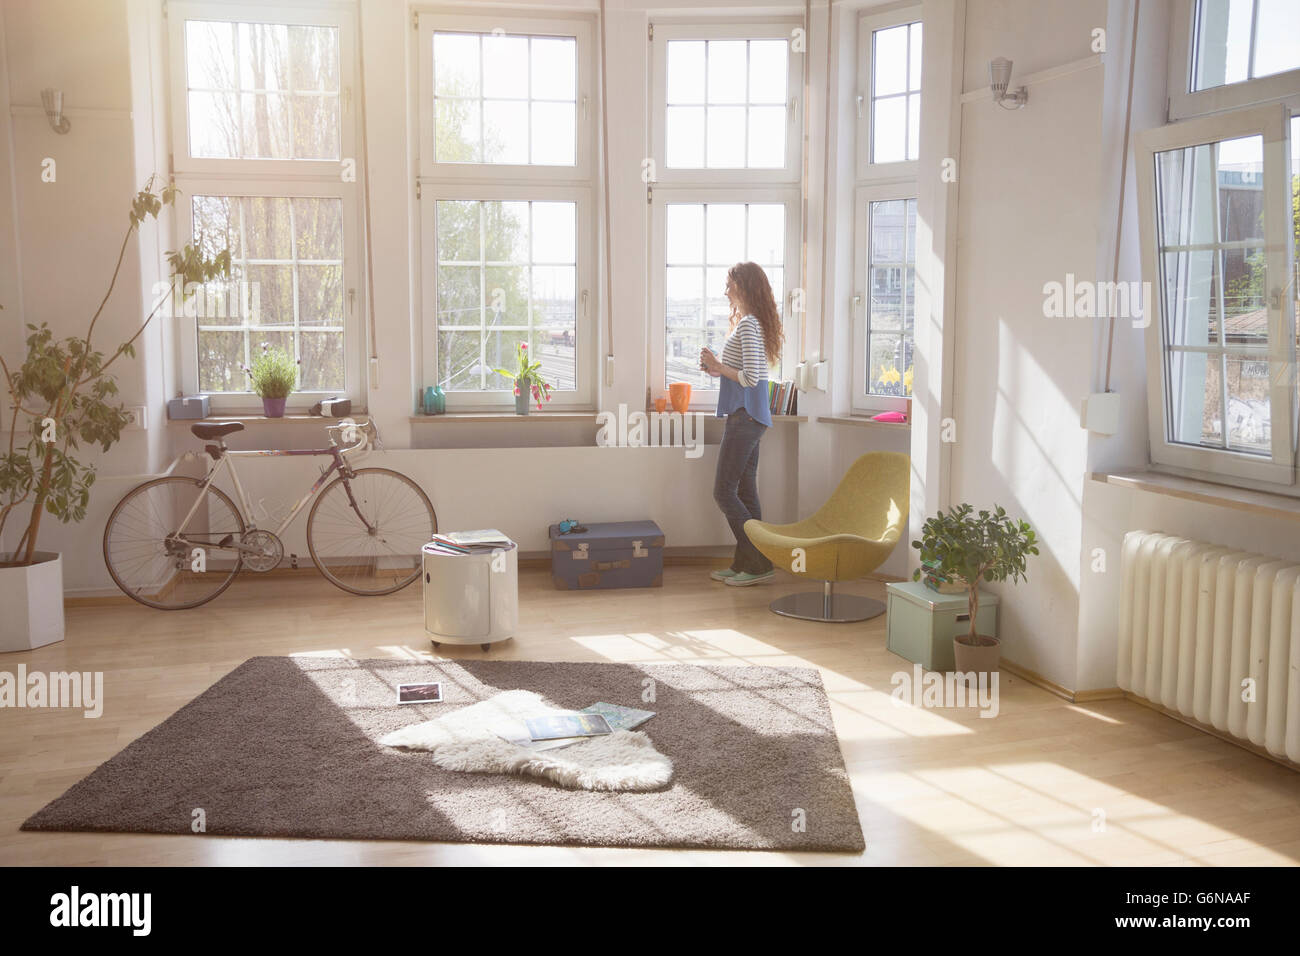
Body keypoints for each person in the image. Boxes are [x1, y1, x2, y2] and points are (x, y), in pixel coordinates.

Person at [699, 262, 784, 587]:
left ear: (744, 287)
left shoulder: (748, 325)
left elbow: (751, 378)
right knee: (746, 492)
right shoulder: (750, 323)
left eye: (729, 285)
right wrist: (717, 369)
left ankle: (758, 561)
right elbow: (745, 373)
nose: (725, 291)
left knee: (723, 492)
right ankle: (746, 563)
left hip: (745, 416)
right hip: (748, 416)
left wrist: (719, 366)